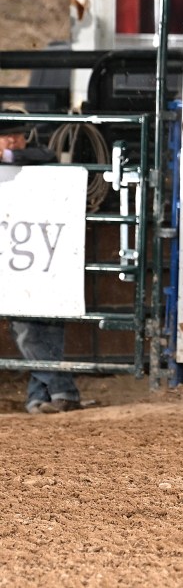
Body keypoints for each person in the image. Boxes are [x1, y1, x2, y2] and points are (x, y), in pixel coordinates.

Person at [1, 123, 83, 414]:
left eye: (18, 135)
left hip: (39, 256)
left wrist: (9, 156)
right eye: (7, 135)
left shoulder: (38, 158)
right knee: (30, 329)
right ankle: (59, 391)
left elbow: (45, 156)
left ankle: (43, 395)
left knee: (42, 329)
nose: (14, 140)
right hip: (21, 256)